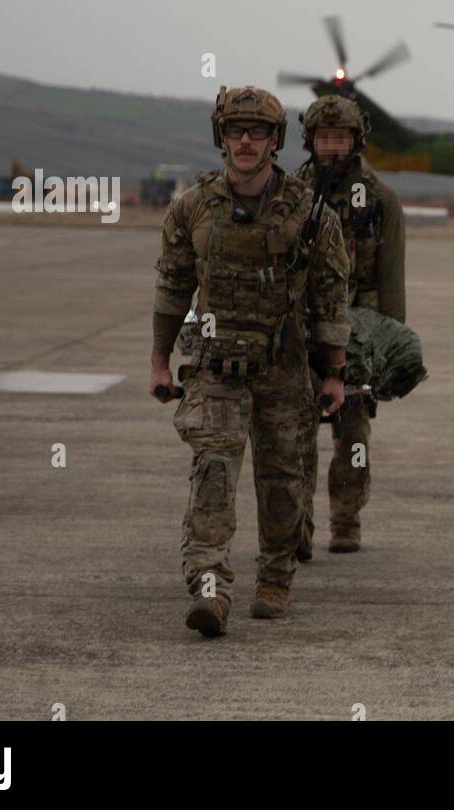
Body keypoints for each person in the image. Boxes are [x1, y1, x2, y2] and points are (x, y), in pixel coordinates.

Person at [149, 85, 350, 636]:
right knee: (212, 474)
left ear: (274, 141)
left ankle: (276, 576)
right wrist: (159, 362)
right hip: (215, 366)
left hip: (285, 365)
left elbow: (331, 297)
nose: (244, 140)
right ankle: (210, 588)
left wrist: (334, 372)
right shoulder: (192, 208)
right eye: (235, 130)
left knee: (284, 482)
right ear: (220, 136)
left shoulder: (310, 213)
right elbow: (171, 289)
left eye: (256, 131)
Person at [293, 95, 406, 555]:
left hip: (358, 330)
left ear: (356, 141)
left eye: (341, 138)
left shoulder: (380, 200)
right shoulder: (291, 193)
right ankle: (295, 524)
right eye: (324, 138)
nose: (332, 147)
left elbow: (392, 277)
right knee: (292, 433)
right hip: (300, 330)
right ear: (310, 142)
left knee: (353, 434)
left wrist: (392, 341)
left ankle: (346, 519)